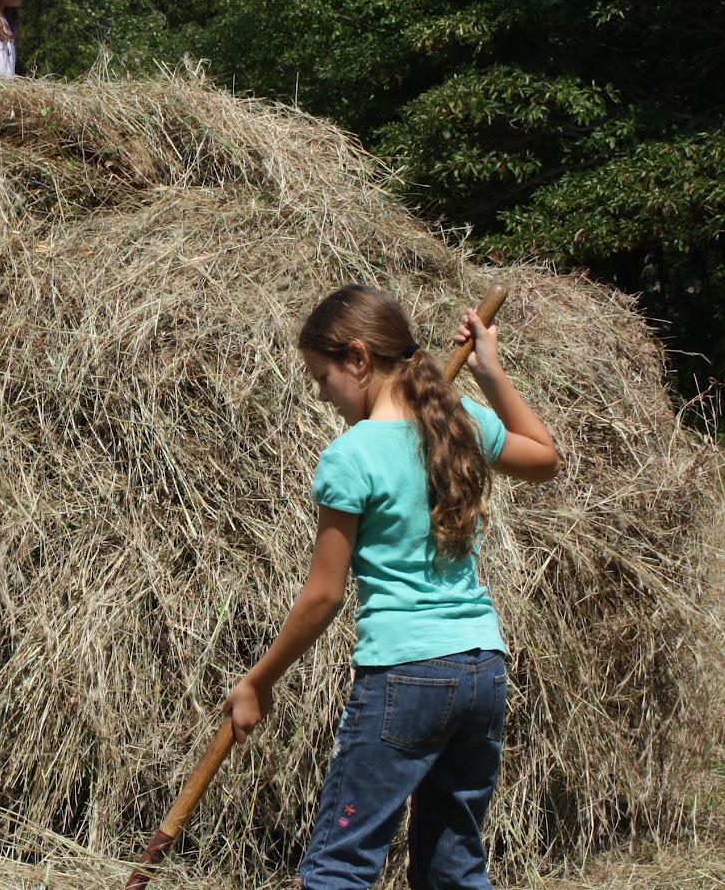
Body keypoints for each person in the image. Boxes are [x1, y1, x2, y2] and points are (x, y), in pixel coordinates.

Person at [223, 284, 560, 890]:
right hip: (482, 670)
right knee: (453, 867)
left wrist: (257, 681)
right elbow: (544, 456)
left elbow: (323, 596)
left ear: (358, 359)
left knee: (340, 865)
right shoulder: (461, 424)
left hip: (405, 677)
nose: (323, 397)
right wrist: (492, 372)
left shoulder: (351, 456)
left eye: (322, 379)